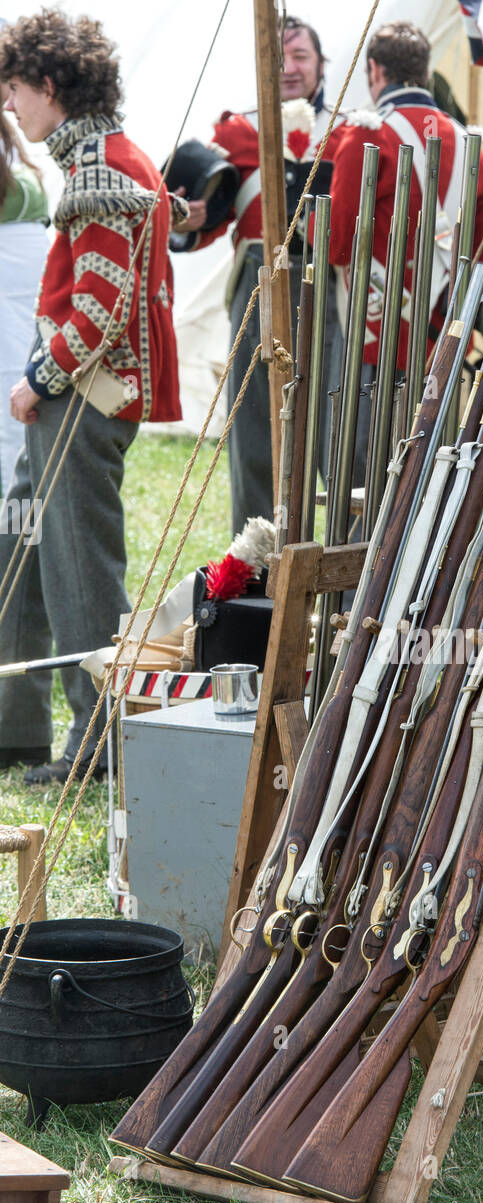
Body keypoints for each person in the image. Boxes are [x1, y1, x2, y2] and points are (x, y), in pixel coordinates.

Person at [0, 9, 182, 782]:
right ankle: (19, 729)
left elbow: (101, 312)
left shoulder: (105, 165)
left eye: (13, 91)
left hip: (85, 398)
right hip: (69, 399)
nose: (10, 108)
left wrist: (36, 381)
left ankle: (100, 738)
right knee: (23, 543)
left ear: (47, 84)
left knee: (80, 573)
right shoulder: (92, 159)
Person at [172, 16, 342, 536]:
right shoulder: (236, 132)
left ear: (319, 65)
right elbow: (200, 216)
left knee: (336, 432)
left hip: (332, 289)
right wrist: (189, 215)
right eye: (278, 58)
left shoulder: (347, 130)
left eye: (300, 57)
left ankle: (335, 568)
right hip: (258, 286)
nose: (289, 69)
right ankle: (258, 574)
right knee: (254, 433)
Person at [324, 21, 483, 496]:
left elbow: (338, 244)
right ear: (424, 72)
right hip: (443, 337)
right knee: (428, 476)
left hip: (375, 332)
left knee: (360, 477)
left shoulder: (366, 135)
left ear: (374, 71)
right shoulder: (471, 145)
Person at [0, 65, 50, 496]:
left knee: (16, 420)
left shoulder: (10, 130)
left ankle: (18, 549)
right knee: (9, 425)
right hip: (6, 301)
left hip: (24, 299)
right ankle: (15, 543)